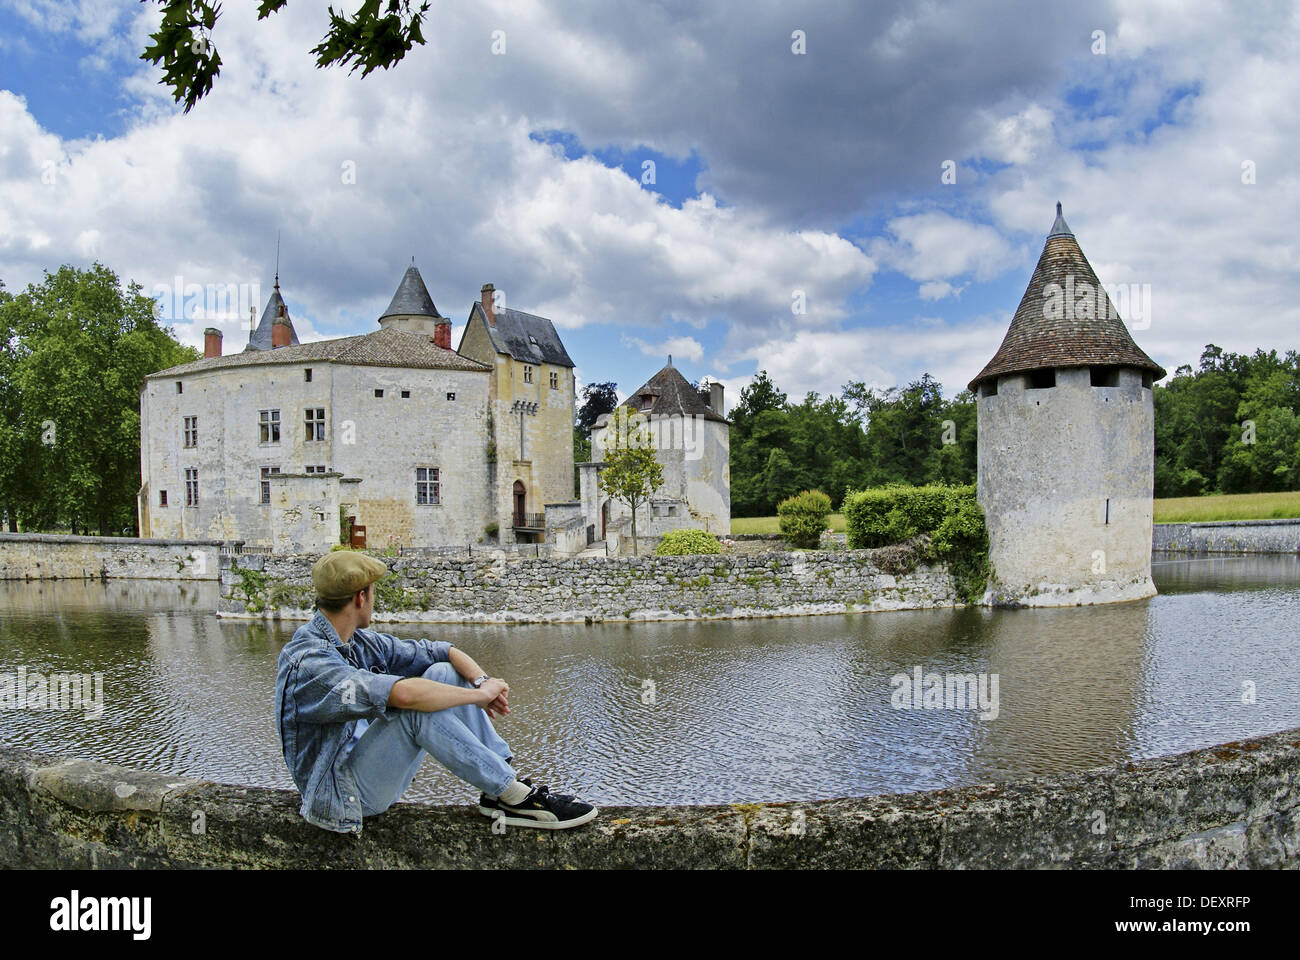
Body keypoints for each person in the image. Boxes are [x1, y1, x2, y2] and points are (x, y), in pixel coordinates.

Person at [274, 550, 598, 835]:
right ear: (361, 597)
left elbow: (441, 652)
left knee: (443, 672)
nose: (375, 599)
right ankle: (512, 794)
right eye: (374, 593)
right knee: (415, 712)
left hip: (365, 767)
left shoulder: (356, 641)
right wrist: (479, 697)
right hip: (342, 795)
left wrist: (482, 680)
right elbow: (405, 697)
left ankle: (500, 789)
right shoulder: (309, 663)